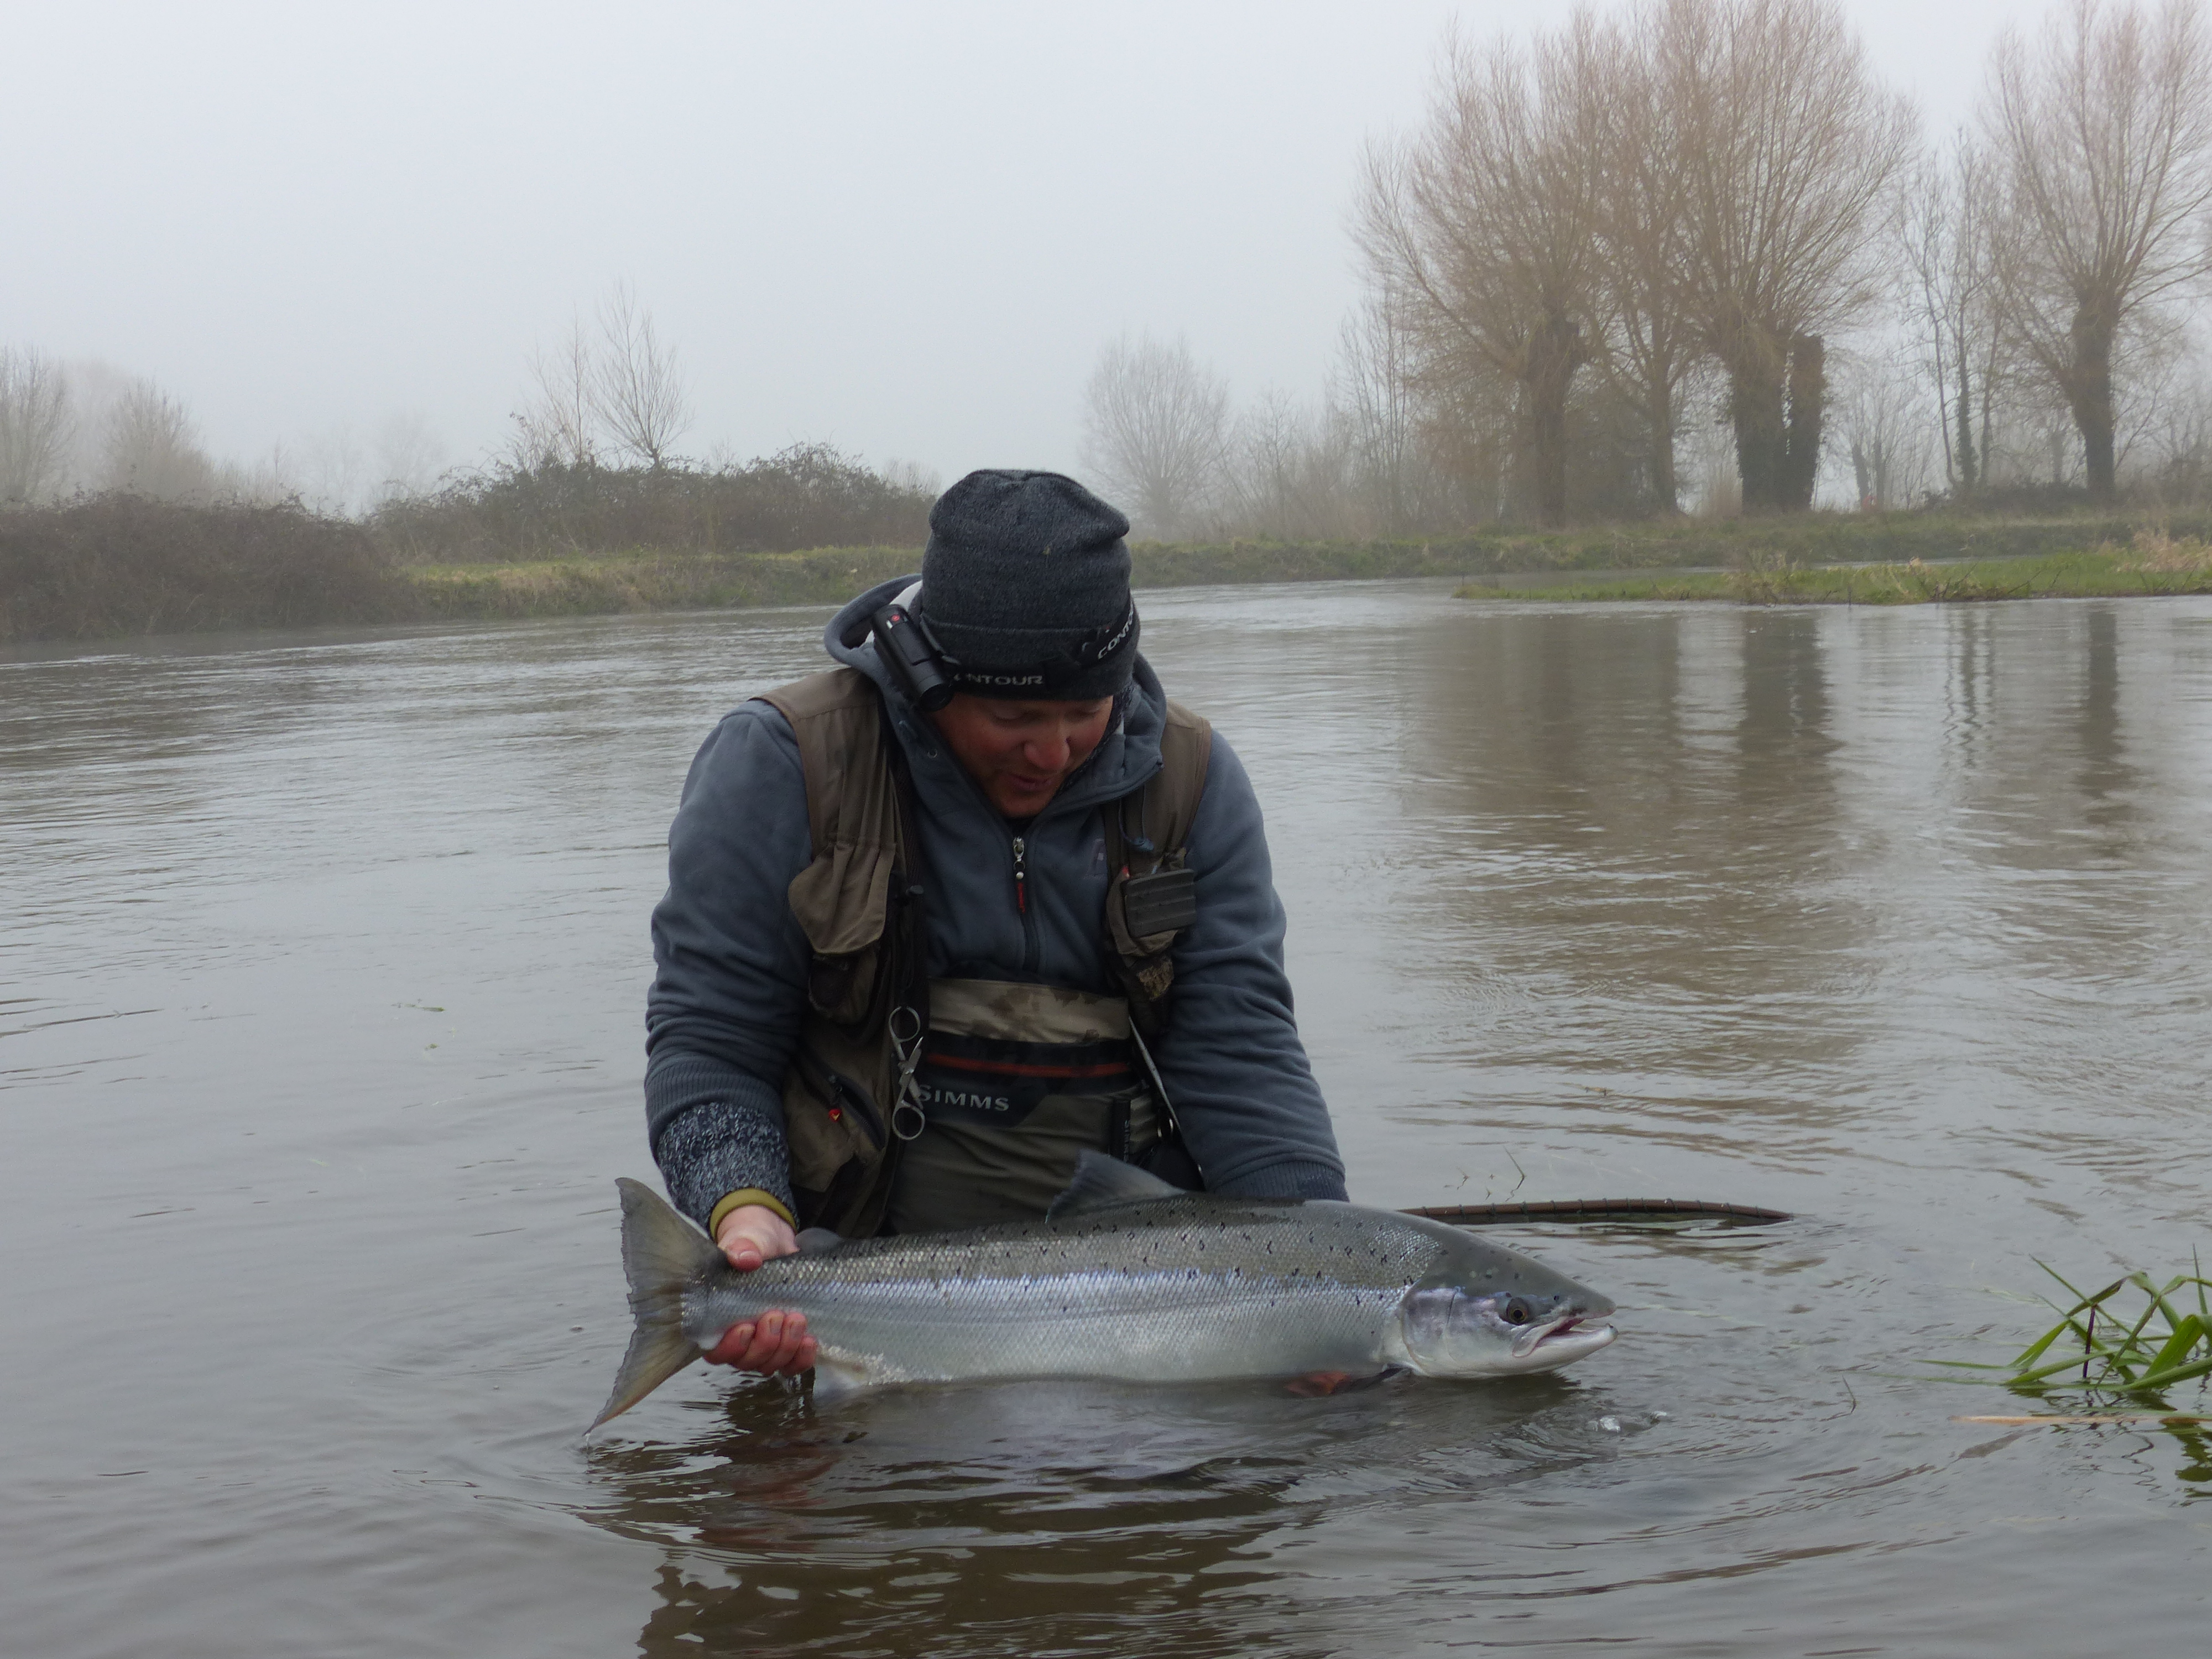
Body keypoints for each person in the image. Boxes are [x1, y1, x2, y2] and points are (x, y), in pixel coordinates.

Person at [644, 469, 1345, 1376]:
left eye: (1086, 714)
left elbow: (1240, 1051)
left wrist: (1314, 1286)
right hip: (857, 1280)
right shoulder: (781, 764)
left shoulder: (1193, 783)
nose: (1051, 752)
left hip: (1142, 1301)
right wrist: (746, 1212)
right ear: (926, 678)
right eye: (1015, 717)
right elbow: (711, 1037)